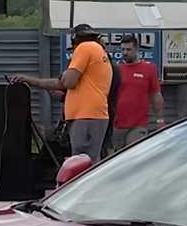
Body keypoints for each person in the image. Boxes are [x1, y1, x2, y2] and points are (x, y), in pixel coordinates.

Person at [13, 23, 113, 159]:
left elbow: (68, 82)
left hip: (86, 116)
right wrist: (32, 81)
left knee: (81, 162)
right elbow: (61, 82)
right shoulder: (98, 50)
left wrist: (65, 74)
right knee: (90, 161)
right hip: (93, 114)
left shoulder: (84, 48)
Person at [110, 34, 163, 151]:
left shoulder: (149, 69)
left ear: (136, 49)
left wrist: (159, 119)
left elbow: (156, 95)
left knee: (134, 152)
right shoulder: (116, 70)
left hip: (138, 124)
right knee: (117, 159)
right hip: (117, 124)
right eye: (123, 49)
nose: (125, 53)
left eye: (128, 49)